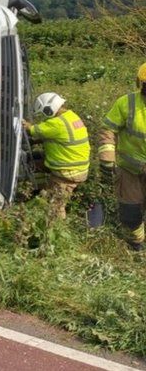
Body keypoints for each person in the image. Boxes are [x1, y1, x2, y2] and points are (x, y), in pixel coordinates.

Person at [97, 63, 146, 252]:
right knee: (130, 214)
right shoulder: (127, 103)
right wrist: (107, 159)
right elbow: (108, 129)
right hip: (130, 172)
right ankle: (137, 245)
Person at [24, 92, 90, 220]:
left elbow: (33, 130)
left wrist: (24, 124)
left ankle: (56, 227)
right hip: (77, 166)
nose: (44, 117)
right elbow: (54, 136)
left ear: (49, 109)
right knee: (37, 160)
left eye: (44, 113)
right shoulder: (71, 116)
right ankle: (39, 189)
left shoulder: (57, 123)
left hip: (67, 171)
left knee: (55, 205)